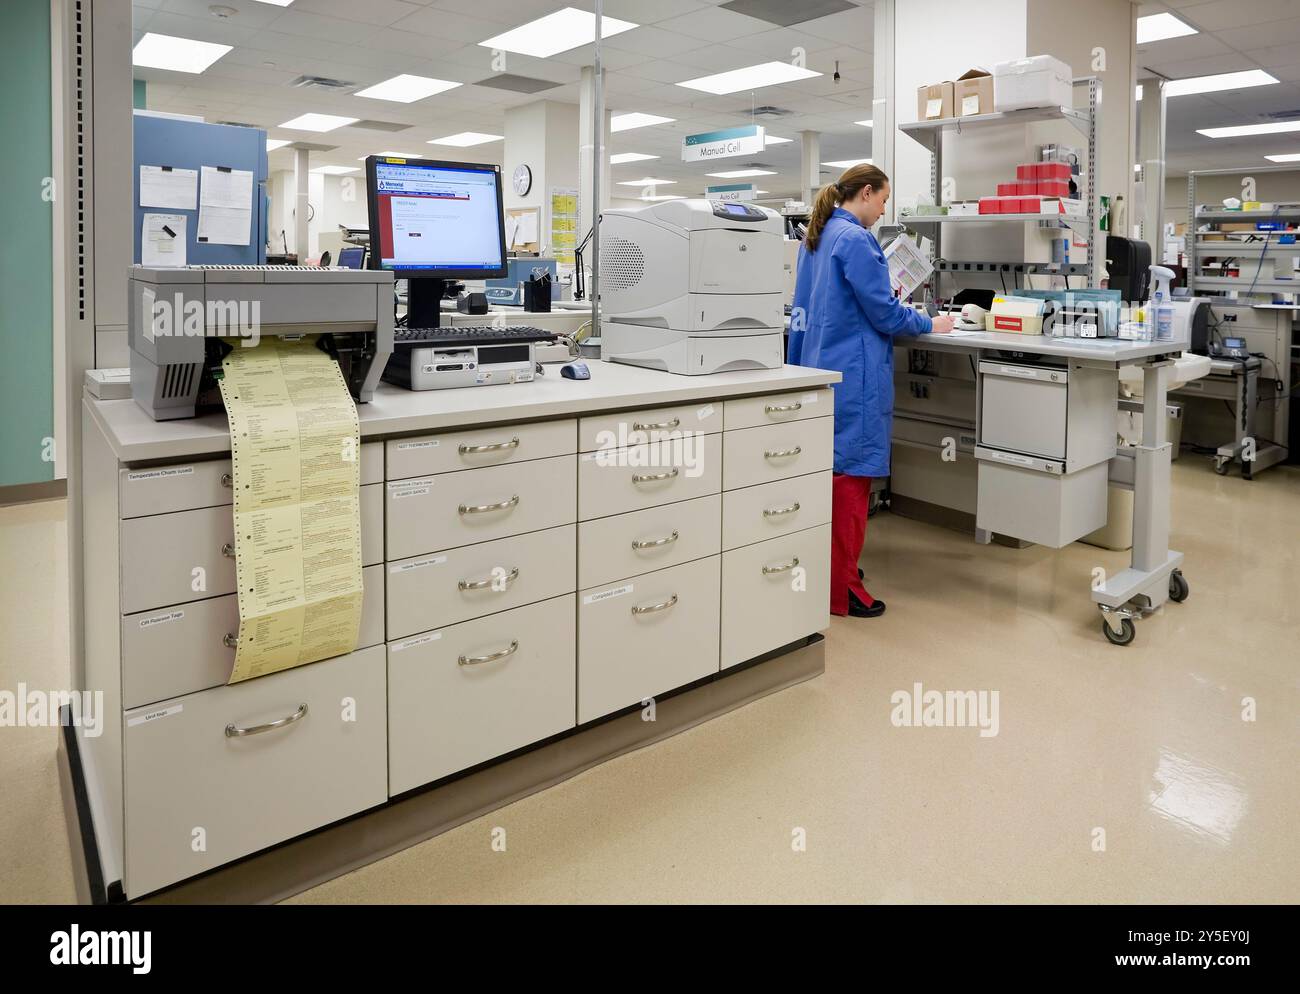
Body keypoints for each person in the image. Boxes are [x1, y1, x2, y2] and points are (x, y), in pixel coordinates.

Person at [787, 163, 953, 618]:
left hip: (818, 367)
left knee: (829, 478)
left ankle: (828, 572)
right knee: (852, 484)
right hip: (854, 376)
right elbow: (885, 315)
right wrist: (931, 322)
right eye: (882, 200)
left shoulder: (815, 238)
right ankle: (842, 591)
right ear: (865, 192)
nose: (882, 211)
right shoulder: (856, 241)